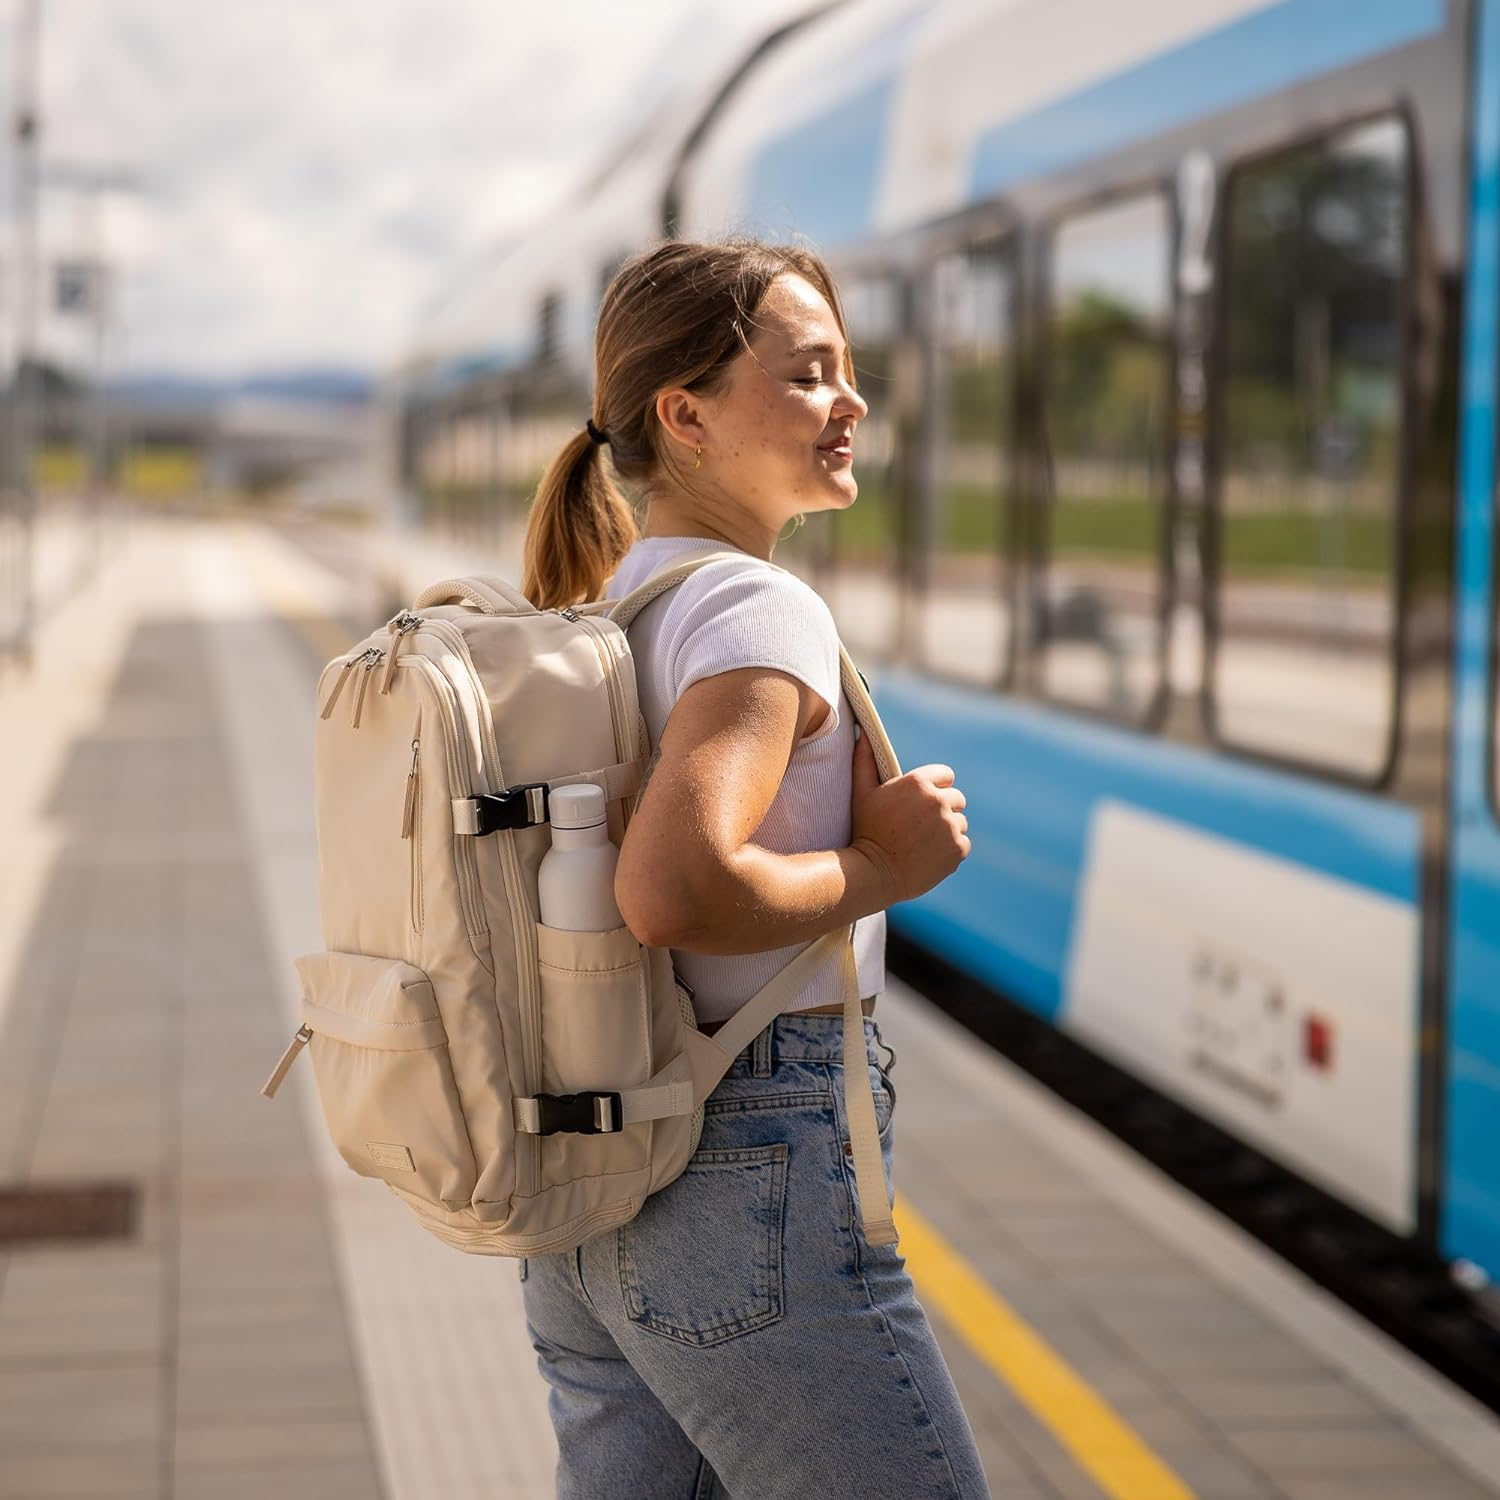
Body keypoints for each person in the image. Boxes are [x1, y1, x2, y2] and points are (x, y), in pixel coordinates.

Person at [517, 238, 987, 1500]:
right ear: (687, 414)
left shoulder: (624, 598)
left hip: (606, 1172)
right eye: (811, 374)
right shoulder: (757, 610)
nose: (853, 403)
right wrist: (883, 863)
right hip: (744, 1165)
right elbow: (674, 890)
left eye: (849, 372)